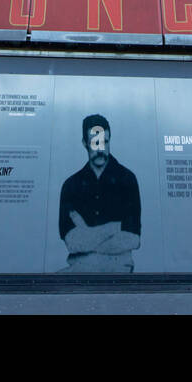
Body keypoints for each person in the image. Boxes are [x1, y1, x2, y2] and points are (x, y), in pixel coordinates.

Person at [57, 113, 141, 272]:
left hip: (118, 271)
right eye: (95, 143)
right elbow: (73, 243)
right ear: (84, 143)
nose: (100, 149)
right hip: (78, 271)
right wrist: (114, 228)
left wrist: (87, 235)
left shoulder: (128, 180)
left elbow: (133, 239)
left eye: (105, 142)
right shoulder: (70, 186)